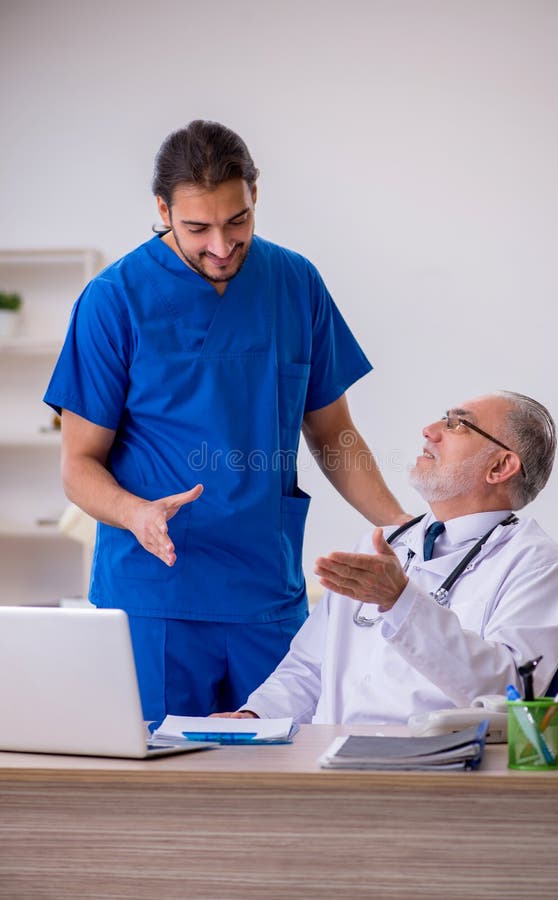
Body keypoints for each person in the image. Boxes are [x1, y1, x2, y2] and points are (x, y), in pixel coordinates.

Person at [43, 119, 407, 720]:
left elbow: (332, 432)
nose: (220, 244)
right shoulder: (114, 300)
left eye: (236, 221)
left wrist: (402, 527)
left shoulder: (295, 284)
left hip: (265, 592)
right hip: (156, 593)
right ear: (162, 209)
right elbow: (78, 466)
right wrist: (136, 512)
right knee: (158, 792)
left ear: (254, 195)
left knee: (278, 785)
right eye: (197, 227)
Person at [222, 391, 558, 724]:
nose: (430, 430)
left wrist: (402, 601)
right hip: (329, 765)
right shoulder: (381, 545)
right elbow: (307, 668)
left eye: (457, 424)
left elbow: (510, 695)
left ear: (500, 467)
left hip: (434, 768)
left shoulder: (536, 564)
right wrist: (254, 717)